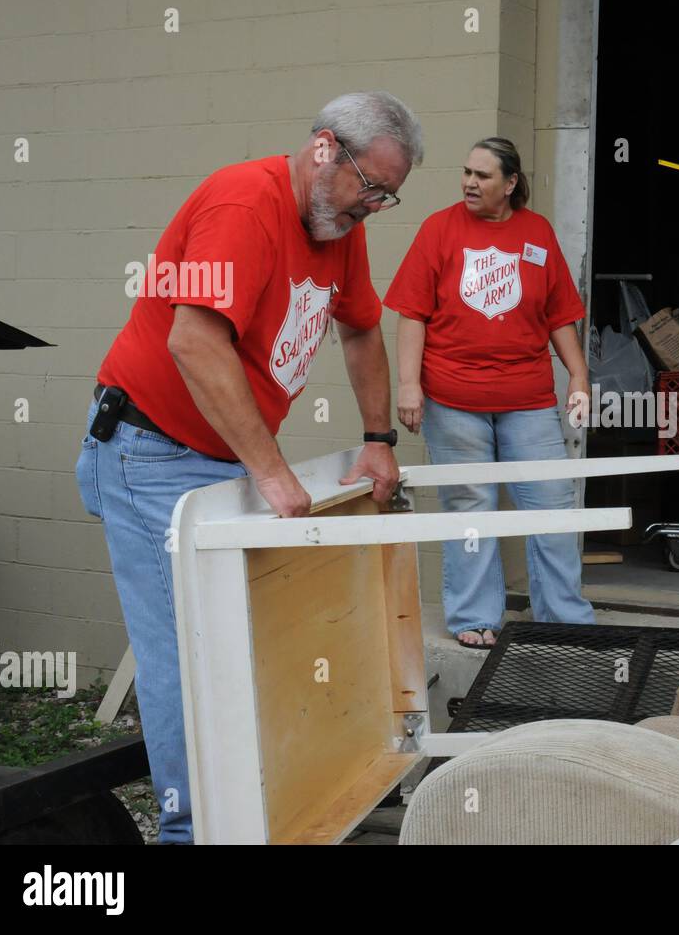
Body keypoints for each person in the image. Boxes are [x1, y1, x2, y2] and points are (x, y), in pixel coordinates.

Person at [75, 91, 422, 843]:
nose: (376, 206)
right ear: (326, 148)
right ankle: (190, 831)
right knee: (188, 653)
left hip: (214, 453)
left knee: (240, 640)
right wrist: (269, 470)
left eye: (388, 195)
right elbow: (193, 343)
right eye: (372, 185)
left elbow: (362, 331)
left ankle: (259, 811)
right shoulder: (243, 202)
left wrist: (377, 436)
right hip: (149, 450)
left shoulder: (339, 227)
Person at [387, 138, 594, 648]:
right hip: (452, 398)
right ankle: (474, 618)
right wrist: (409, 384)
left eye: (482, 175)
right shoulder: (440, 228)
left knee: (553, 506)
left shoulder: (537, 232)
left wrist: (580, 376)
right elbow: (412, 312)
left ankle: (563, 620)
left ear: (511, 183)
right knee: (471, 509)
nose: (469, 183)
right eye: (466, 172)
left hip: (528, 399)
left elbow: (559, 314)